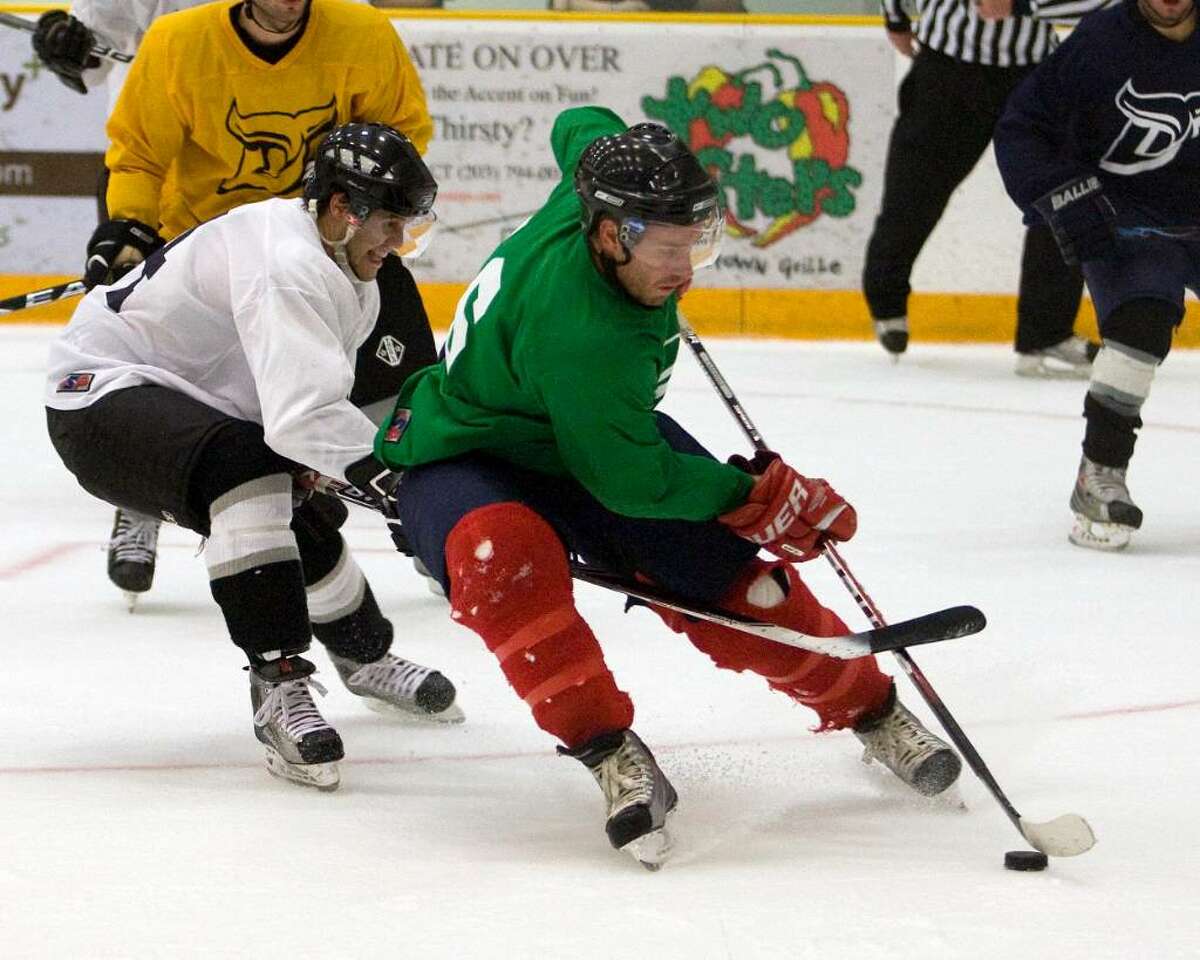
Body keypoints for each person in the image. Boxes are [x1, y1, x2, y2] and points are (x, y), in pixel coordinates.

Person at [368, 106, 961, 867]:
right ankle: (606, 747)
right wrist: (756, 499)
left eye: (697, 245)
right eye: (668, 252)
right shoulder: (587, 336)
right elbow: (635, 482)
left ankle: (871, 709)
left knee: (742, 589)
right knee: (500, 557)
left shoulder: (594, 193)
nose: (685, 271)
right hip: (466, 450)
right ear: (612, 234)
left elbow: (579, 123)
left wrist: (636, 148)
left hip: (588, 435)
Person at [45, 122, 459, 792]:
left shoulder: (345, 266)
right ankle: (278, 683)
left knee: (289, 504)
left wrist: (358, 471)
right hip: (98, 398)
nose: (398, 242)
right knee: (249, 469)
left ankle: (363, 655)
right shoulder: (286, 263)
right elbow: (302, 418)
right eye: (388, 222)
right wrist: (396, 480)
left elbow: (301, 408)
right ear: (337, 209)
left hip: (189, 401)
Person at [31, 0, 438, 604]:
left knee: (400, 386)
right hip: (211, 249)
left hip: (330, 237)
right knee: (179, 381)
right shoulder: (176, 41)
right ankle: (141, 500)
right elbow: (140, 154)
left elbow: (401, 138)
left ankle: (436, 522)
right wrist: (130, 227)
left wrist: (346, 204)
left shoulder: (362, 32)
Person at [993, 0, 1199, 550]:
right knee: (1142, 320)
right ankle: (1099, 475)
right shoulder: (1101, 41)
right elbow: (1022, 126)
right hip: (1127, 213)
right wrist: (1058, 187)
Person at [862, 0, 1113, 375]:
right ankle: (885, 295)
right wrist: (896, 14)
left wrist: (1022, 5)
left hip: (1034, 74)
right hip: (947, 70)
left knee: (1065, 193)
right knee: (914, 193)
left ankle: (1045, 332)